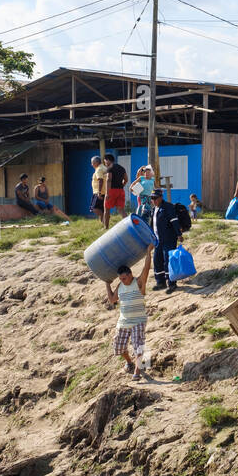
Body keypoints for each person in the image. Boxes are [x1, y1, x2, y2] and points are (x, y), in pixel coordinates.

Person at [105, 247, 153, 380]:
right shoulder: (120, 286)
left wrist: (148, 253)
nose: (123, 281)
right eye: (120, 279)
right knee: (118, 347)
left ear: (130, 274)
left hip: (138, 320)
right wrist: (107, 283)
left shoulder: (138, 282)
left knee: (138, 345)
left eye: (125, 278)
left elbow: (146, 268)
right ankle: (129, 362)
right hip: (123, 321)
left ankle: (137, 372)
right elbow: (112, 300)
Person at [148, 188, 181, 294]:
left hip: (169, 239)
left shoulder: (168, 207)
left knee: (168, 261)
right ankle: (160, 282)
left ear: (161, 197)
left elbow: (174, 221)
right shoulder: (154, 209)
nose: (153, 200)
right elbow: (152, 224)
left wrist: (179, 235)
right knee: (157, 261)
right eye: (152, 198)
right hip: (158, 240)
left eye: (155, 198)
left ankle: (172, 284)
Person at [102, 153, 128, 229]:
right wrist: (121, 186)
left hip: (111, 191)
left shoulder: (110, 168)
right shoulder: (122, 168)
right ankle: (128, 225)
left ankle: (105, 227)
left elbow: (108, 180)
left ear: (108, 160)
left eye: (105, 161)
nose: (105, 163)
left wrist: (107, 193)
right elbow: (126, 179)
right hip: (120, 190)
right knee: (121, 210)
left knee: (106, 209)